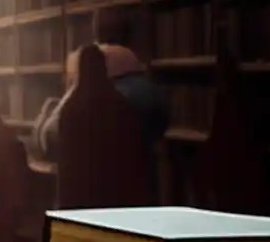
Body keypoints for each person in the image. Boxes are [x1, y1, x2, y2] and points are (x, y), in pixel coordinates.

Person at [31, 42, 170, 162]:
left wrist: (47, 113)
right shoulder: (149, 90)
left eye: (71, 79)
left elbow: (50, 140)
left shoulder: (94, 98)